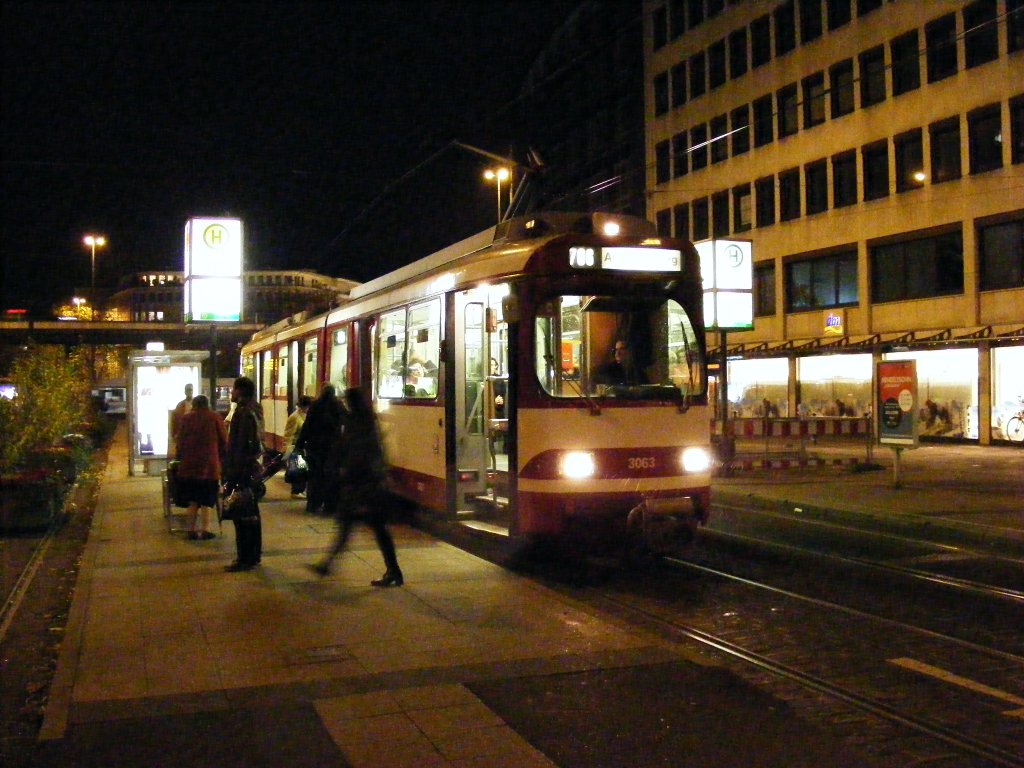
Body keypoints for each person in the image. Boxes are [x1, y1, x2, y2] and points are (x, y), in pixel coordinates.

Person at [309, 388, 403, 587]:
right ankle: (393, 571)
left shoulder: (357, 424)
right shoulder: (367, 421)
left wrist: (341, 470)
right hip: (368, 485)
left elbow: (355, 453)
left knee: (351, 527)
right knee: (374, 529)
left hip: (361, 486)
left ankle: (327, 565)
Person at [222, 376, 263, 572]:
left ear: (240, 391)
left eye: (233, 389)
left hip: (242, 471)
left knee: (241, 516)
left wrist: (232, 474)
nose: (231, 393)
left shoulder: (243, 412)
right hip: (250, 470)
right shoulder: (254, 408)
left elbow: (239, 446)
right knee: (252, 515)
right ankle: (253, 555)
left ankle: (244, 558)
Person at [175, 394, 227, 540]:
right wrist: (220, 458)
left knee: (192, 499)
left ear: (194, 405)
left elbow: (180, 441)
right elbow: (224, 440)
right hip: (209, 467)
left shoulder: (186, 418)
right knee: (207, 500)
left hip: (189, 466)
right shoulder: (215, 417)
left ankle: (190, 530)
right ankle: (205, 529)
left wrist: (181, 457)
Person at [294, 383, 346, 515]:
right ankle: (330, 506)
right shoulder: (338, 405)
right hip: (332, 447)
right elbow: (347, 421)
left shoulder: (315, 405)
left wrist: (299, 445)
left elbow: (307, 426)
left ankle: (313, 504)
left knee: (315, 476)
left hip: (315, 447)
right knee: (331, 477)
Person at [283, 395, 312, 497]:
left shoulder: (302, 415)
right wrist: (288, 449)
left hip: (300, 447)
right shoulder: (295, 417)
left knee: (301, 469)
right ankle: (296, 491)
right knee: (298, 470)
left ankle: (299, 490)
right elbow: (289, 434)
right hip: (295, 447)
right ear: (304, 406)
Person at [170, 383, 194, 453]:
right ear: (185, 391)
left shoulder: (196, 404)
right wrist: (174, 434)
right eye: (187, 390)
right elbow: (175, 421)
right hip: (183, 435)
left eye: (190, 390)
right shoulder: (180, 405)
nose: (189, 392)